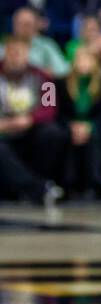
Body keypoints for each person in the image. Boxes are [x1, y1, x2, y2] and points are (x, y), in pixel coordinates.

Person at [0, 38, 65, 203]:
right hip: (3, 132)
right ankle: (39, 189)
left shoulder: (43, 77)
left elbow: (49, 108)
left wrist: (30, 119)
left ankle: (36, 185)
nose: (16, 57)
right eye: (12, 52)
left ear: (27, 55)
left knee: (52, 132)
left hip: (30, 129)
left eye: (20, 53)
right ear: (5, 53)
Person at [56, 44, 101, 198]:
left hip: (91, 126)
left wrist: (89, 126)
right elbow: (55, 111)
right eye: (80, 59)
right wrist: (71, 126)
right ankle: (68, 185)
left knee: (95, 139)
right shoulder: (58, 83)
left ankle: (93, 184)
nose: (84, 63)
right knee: (66, 137)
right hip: (67, 125)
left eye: (88, 59)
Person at [5, 6, 68, 77]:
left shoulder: (47, 45)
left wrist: (44, 72)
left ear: (35, 25)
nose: (24, 28)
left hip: (40, 85)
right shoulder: (4, 46)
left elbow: (63, 70)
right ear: (14, 25)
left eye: (28, 24)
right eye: (20, 24)